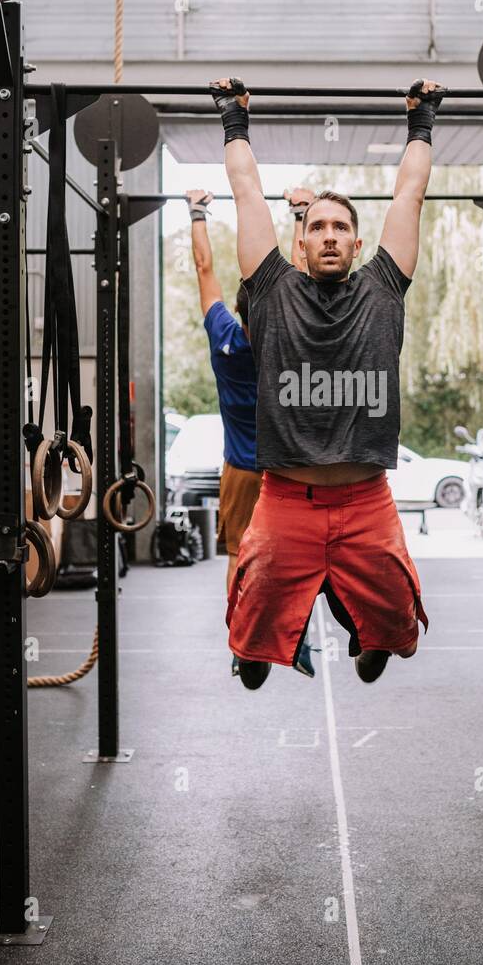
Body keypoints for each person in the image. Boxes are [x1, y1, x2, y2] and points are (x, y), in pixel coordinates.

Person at [210, 74, 440, 689]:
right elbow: (245, 191)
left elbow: (410, 195)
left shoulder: (383, 287)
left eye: (340, 228)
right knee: (252, 663)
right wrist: (234, 118)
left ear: (358, 242)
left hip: (367, 503)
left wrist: (421, 122)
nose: (330, 235)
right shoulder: (272, 286)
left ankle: (371, 636)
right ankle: (257, 647)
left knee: (402, 638)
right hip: (285, 502)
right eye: (318, 227)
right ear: (301, 242)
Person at [186, 186, 316, 680]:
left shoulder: (225, 338)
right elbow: (300, 275)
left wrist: (197, 211)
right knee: (300, 557)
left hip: (240, 471)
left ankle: (244, 641)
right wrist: (300, 213)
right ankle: (294, 634)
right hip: (285, 470)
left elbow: (204, 270)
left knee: (241, 555)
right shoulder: (288, 340)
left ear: (240, 312)